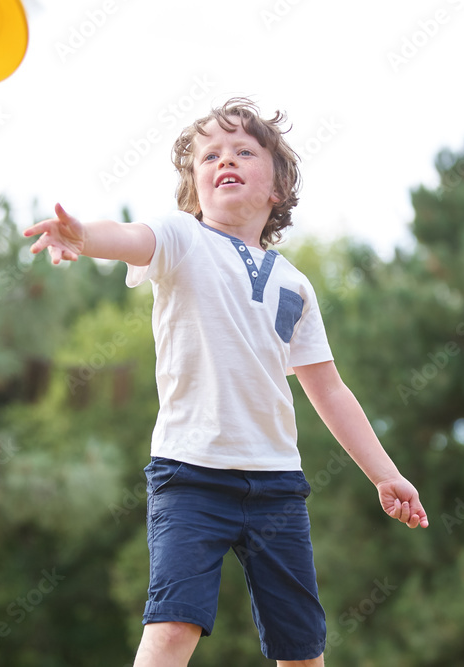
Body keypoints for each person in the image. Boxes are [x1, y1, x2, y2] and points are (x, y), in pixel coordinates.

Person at [24, 97, 427, 667]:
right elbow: (129, 237)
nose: (223, 160)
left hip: (277, 485)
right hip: (190, 475)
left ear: (277, 189)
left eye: (243, 150)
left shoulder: (296, 286)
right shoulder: (183, 241)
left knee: (302, 650)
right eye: (208, 155)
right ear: (195, 186)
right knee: (172, 625)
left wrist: (385, 475)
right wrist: (83, 236)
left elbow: (329, 389)